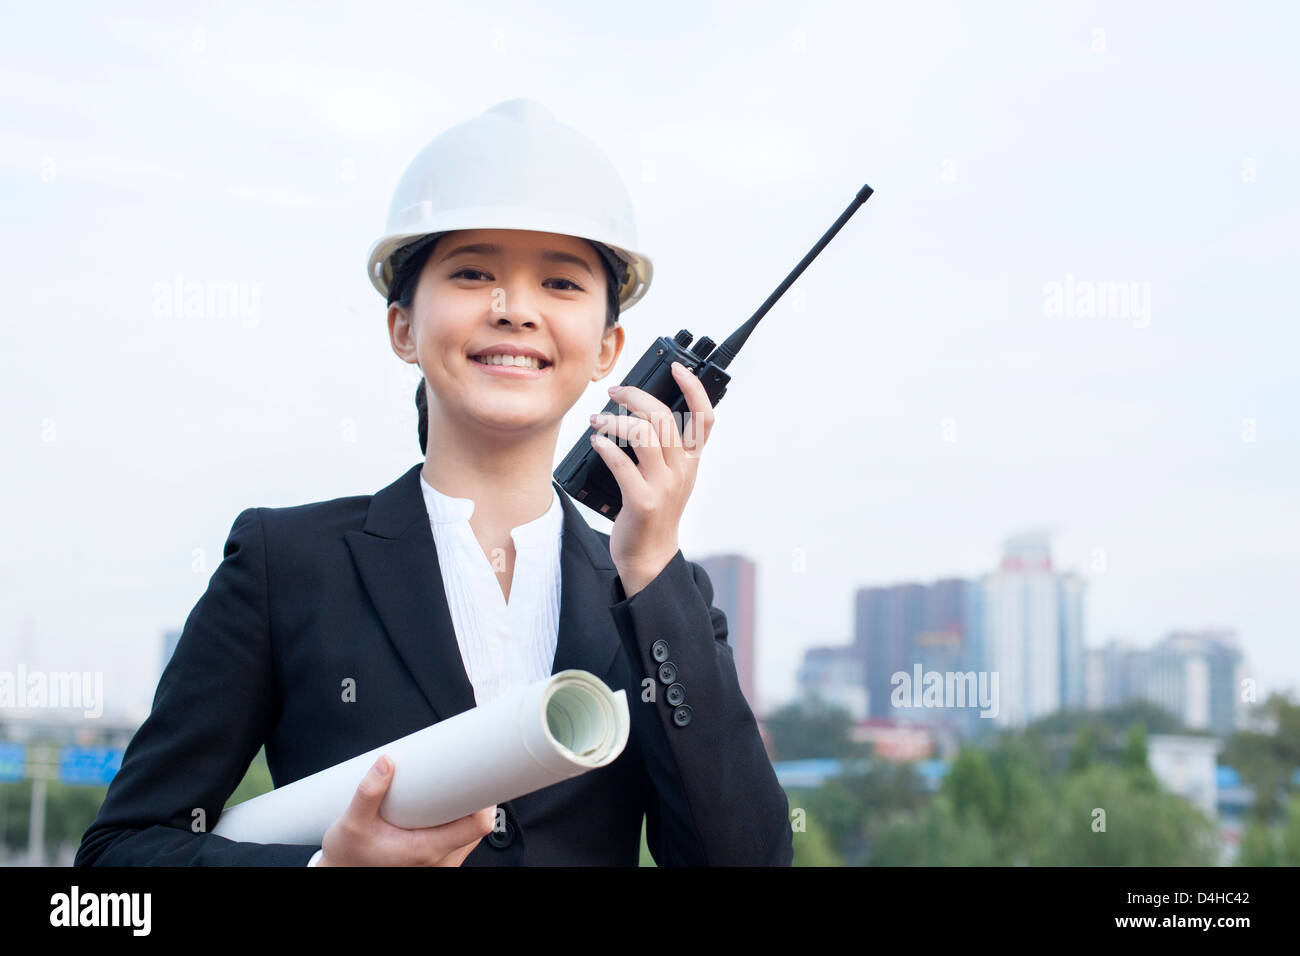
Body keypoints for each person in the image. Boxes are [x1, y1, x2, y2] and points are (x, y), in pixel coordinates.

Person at [75, 99, 793, 867]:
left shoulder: (659, 598)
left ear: (608, 347)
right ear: (403, 327)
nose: (514, 309)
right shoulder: (284, 564)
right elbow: (116, 864)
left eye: (560, 283)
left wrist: (649, 566)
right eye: (474, 273)